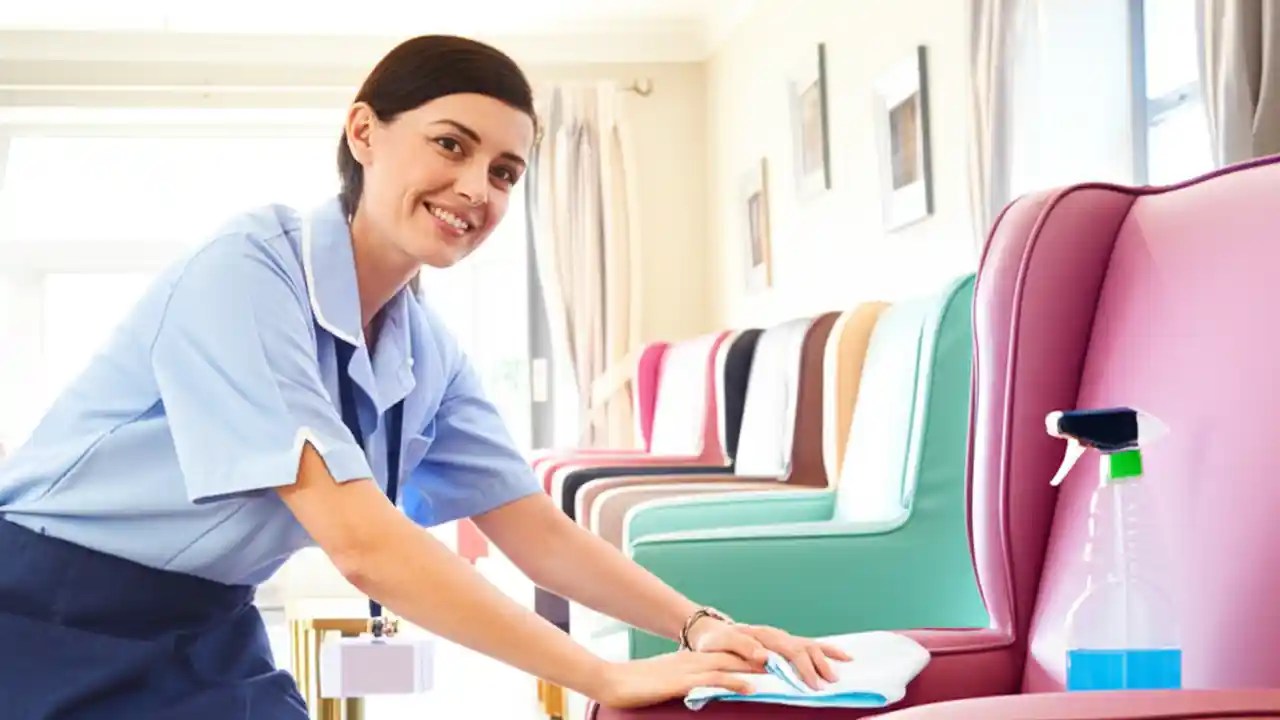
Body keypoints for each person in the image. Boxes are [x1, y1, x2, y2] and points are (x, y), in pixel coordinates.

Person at [0, 34, 849, 718]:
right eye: (451, 145)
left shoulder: (425, 347)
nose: (476, 188)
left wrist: (704, 625)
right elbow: (362, 544)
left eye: (506, 173)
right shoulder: (248, 268)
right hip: (42, 610)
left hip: (205, 624)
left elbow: (533, 529)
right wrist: (602, 676)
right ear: (364, 132)